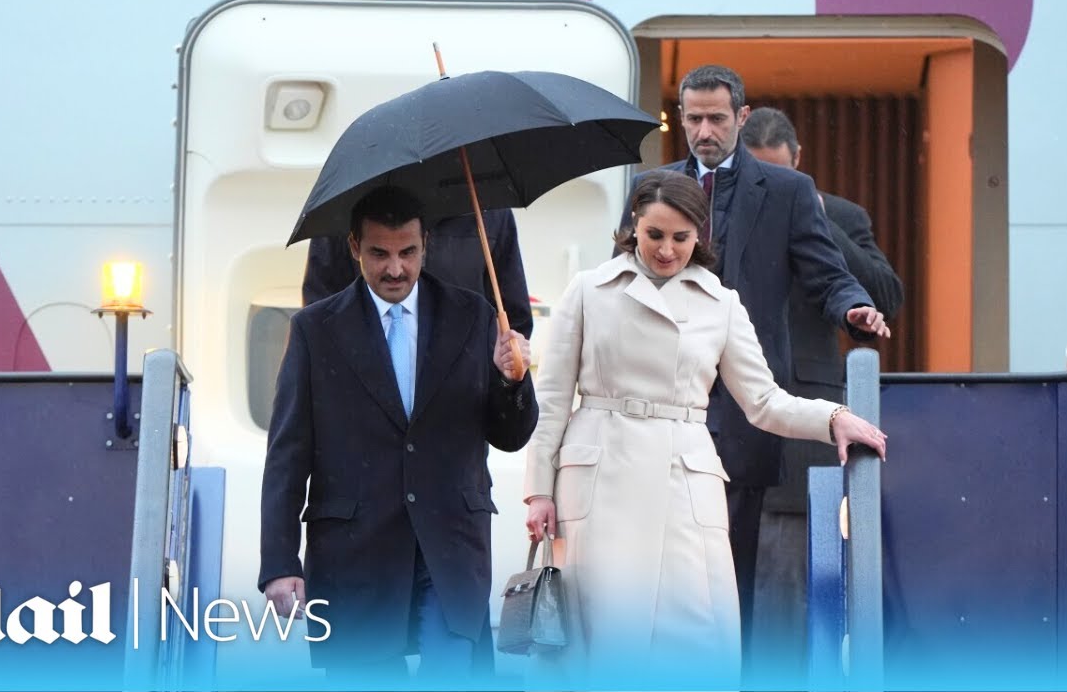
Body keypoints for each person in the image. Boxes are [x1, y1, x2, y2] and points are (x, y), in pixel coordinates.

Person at [526, 169, 888, 687]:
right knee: (606, 645)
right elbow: (554, 399)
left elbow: (763, 402)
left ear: (700, 234)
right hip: (599, 477)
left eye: (680, 237)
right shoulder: (587, 291)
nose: (667, 250)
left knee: (695, 642)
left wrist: (832, 418)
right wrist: (539, 490)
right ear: (633, 226)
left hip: (683, 483)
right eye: (654, 235)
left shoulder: (721, 303)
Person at [617, 65, 891, 660]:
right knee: (650, 580)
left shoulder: (788, 191)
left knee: (728, 579)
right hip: (657, 410)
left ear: (741, 117)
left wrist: (855, 312)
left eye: (717, 117)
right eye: (693, 118)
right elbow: (621, 280)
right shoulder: (651, 187)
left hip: (743, 412)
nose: (704, 130)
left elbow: (827, 274)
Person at [260, 186, 539, 686]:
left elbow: (511, 436)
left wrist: (512, 380)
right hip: (355, 552)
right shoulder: (314, 330)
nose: (395, 269)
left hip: (450, 546)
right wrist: (280, 562)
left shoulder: (474, 316)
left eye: (407, 252)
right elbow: (287, 452)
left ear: (425, 245)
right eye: (379, 254)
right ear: (353, 248)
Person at [740, 106, 904, 676]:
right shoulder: (712, 210)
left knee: (793, 592)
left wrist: (809, 214)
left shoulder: (840, 214)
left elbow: (886, 295)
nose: (767, 185)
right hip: (728, 422)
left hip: (805, 435)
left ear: (799, 165)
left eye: (779, 174)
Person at [302, 207, 533, 339]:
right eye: (379, 253)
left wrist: (495, 378)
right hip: (364, 398)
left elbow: (513, 322)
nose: (395, 271)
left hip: (463, 400)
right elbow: (321, 315)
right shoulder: (346, 209)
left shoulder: (489, 212)